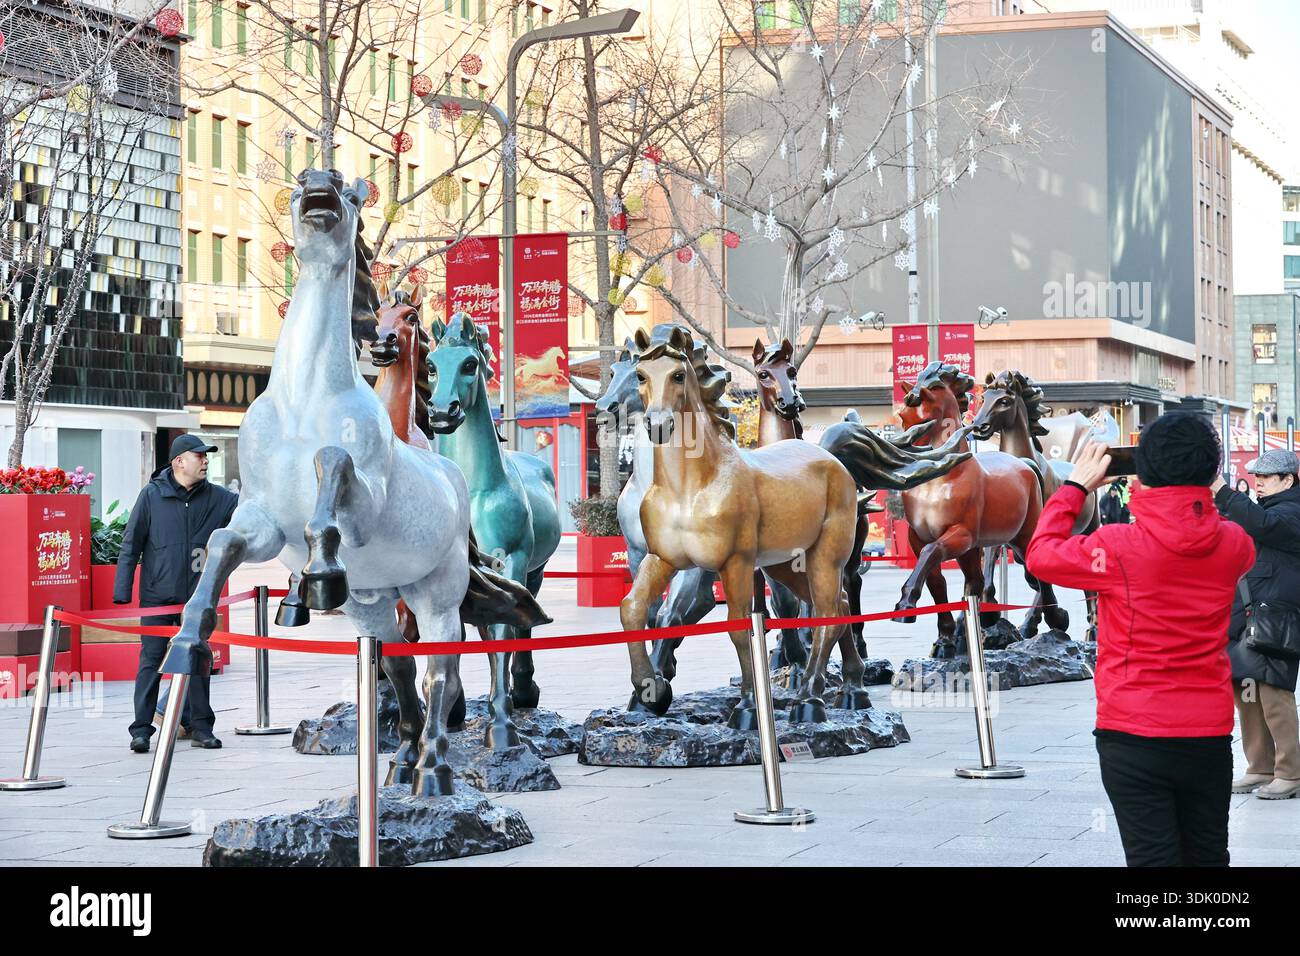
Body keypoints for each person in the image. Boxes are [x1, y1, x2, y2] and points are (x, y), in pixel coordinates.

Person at [1026, 412, 1254, 866]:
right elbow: (1194, 530)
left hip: (1133, 730)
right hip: (1207, 730)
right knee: (1208, 856)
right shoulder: (1236, 544)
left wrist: (1075, 487)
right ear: (1212, 471)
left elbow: (1041, 555)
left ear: (1142, 472)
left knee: (1153, 859)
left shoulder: (1115, 547)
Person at [115, 435, 238, 753]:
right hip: (157, 597)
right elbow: (132, 543)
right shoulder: (152, 496)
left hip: (197, 599)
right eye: (200, 456)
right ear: (179, 461)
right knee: (151, 661)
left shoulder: (221, 499)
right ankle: (141, 730)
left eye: (207, 456)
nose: (206, 461)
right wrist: (122, 591)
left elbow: (246, 526)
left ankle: (201, 728)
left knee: (198, 661)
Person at [1212, 449, 1300, 800]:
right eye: (1256, 476)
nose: (1258, 482)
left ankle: (1290, 772)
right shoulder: (1265, 510)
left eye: (1266, 476)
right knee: (1247, 690)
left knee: (1274, 694)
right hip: (1250, 613)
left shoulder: (1291, 512)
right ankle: (1260, 766)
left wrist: (1220, 488)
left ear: (1288, 480)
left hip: (1278, 617)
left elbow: (1261, 526)